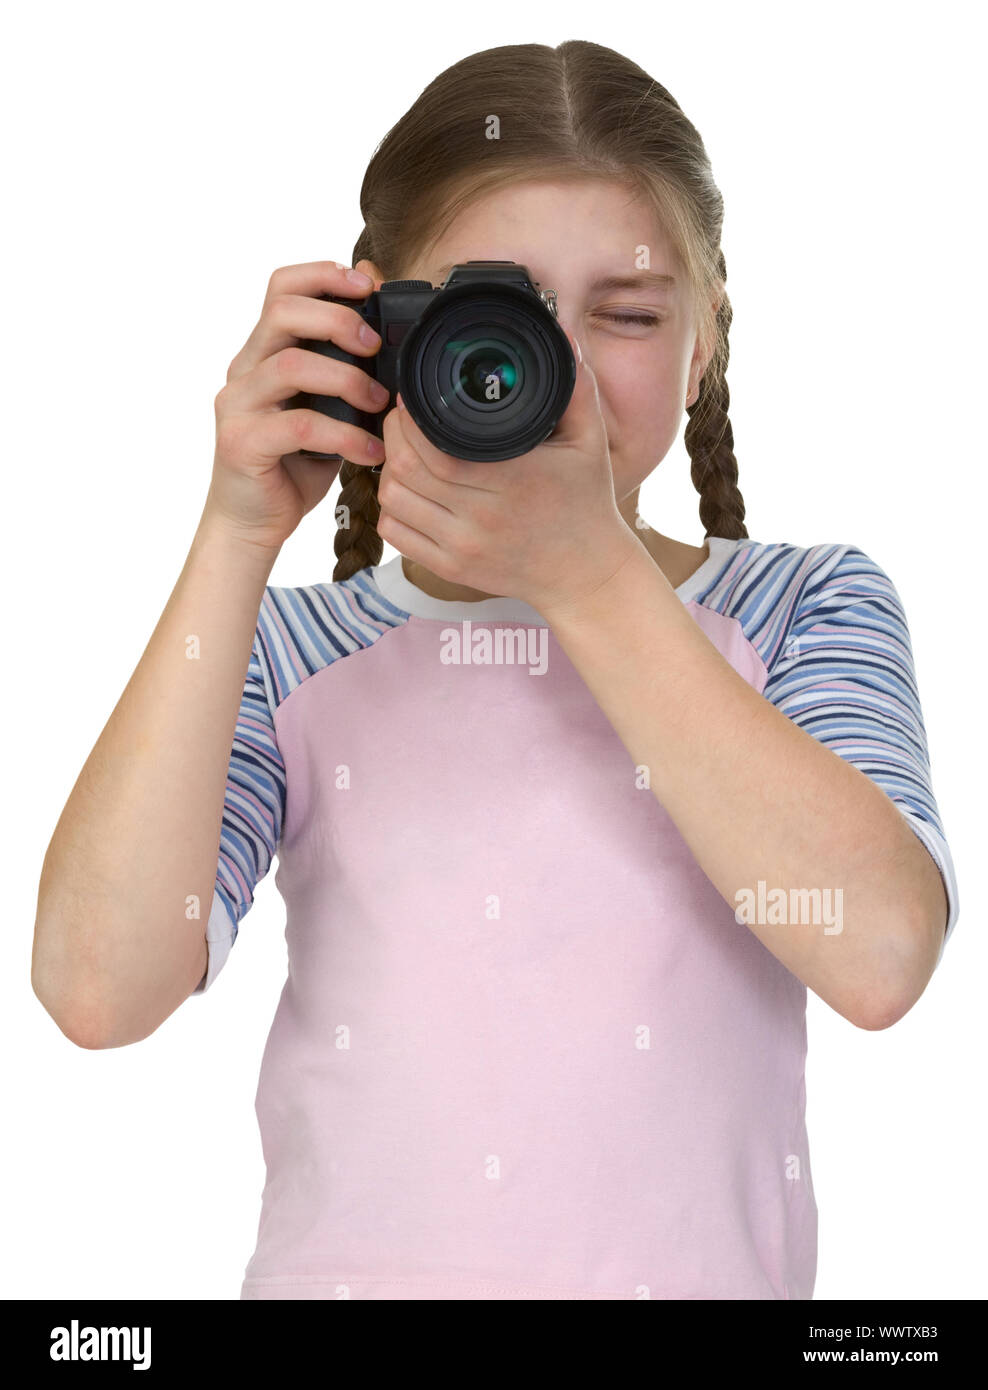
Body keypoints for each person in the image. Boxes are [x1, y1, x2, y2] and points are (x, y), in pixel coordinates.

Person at [31, 39, 958, 1301]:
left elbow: (880, 954)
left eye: (625, 314)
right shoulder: (294, 650)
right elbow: (98, 988)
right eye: (499, 316)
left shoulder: (799, 608)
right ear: (377, 337)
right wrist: (236, 530)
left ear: (703, 343)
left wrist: (588, 577)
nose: (555, 371)